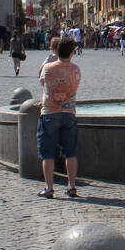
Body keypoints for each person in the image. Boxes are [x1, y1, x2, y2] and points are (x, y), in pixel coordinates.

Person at [37, 38, 82, 198]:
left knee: (47, 153)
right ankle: (71, 186)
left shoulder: (48, 68)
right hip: (69, 112)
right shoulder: (76, 69)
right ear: (71, 53)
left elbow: (42, 82)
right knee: (70, 152)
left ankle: (49, 188)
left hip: (50, 112)